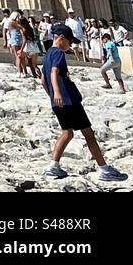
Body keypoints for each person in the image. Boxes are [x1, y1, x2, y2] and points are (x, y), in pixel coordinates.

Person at [41, 22, 127, 182]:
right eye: (69, 41)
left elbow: (42, 80)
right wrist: (59, 92)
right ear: (60, 38)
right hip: (69, 100)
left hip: (58, 103)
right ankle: (104, 169)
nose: (70, 45)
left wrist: (52, 96)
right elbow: (54, 72)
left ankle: (53, 166)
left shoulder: (47, 55)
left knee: (67, 133)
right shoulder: (58, 53)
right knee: (89, 134)